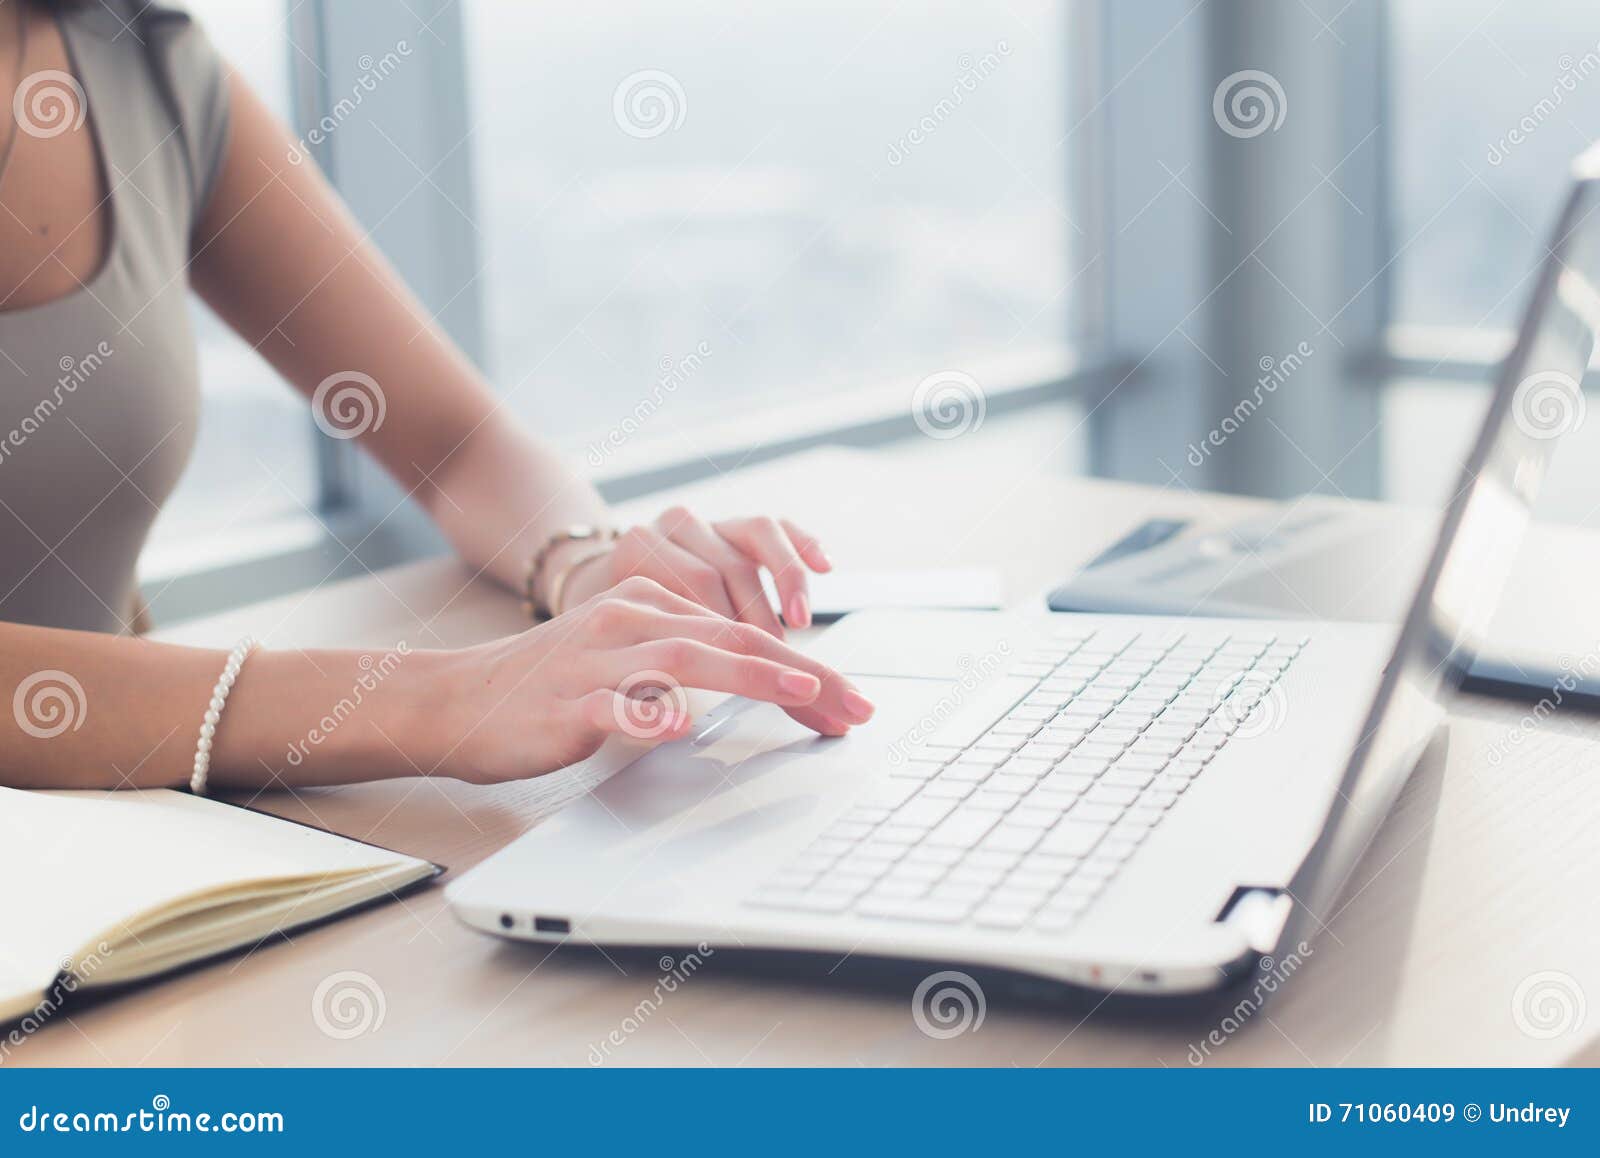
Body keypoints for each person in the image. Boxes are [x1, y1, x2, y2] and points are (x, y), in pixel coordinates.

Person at [0, 0, 873, 791]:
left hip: (112, 844)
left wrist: (589, 565)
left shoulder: (140, 69)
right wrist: (432, 700)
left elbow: (452, 439)